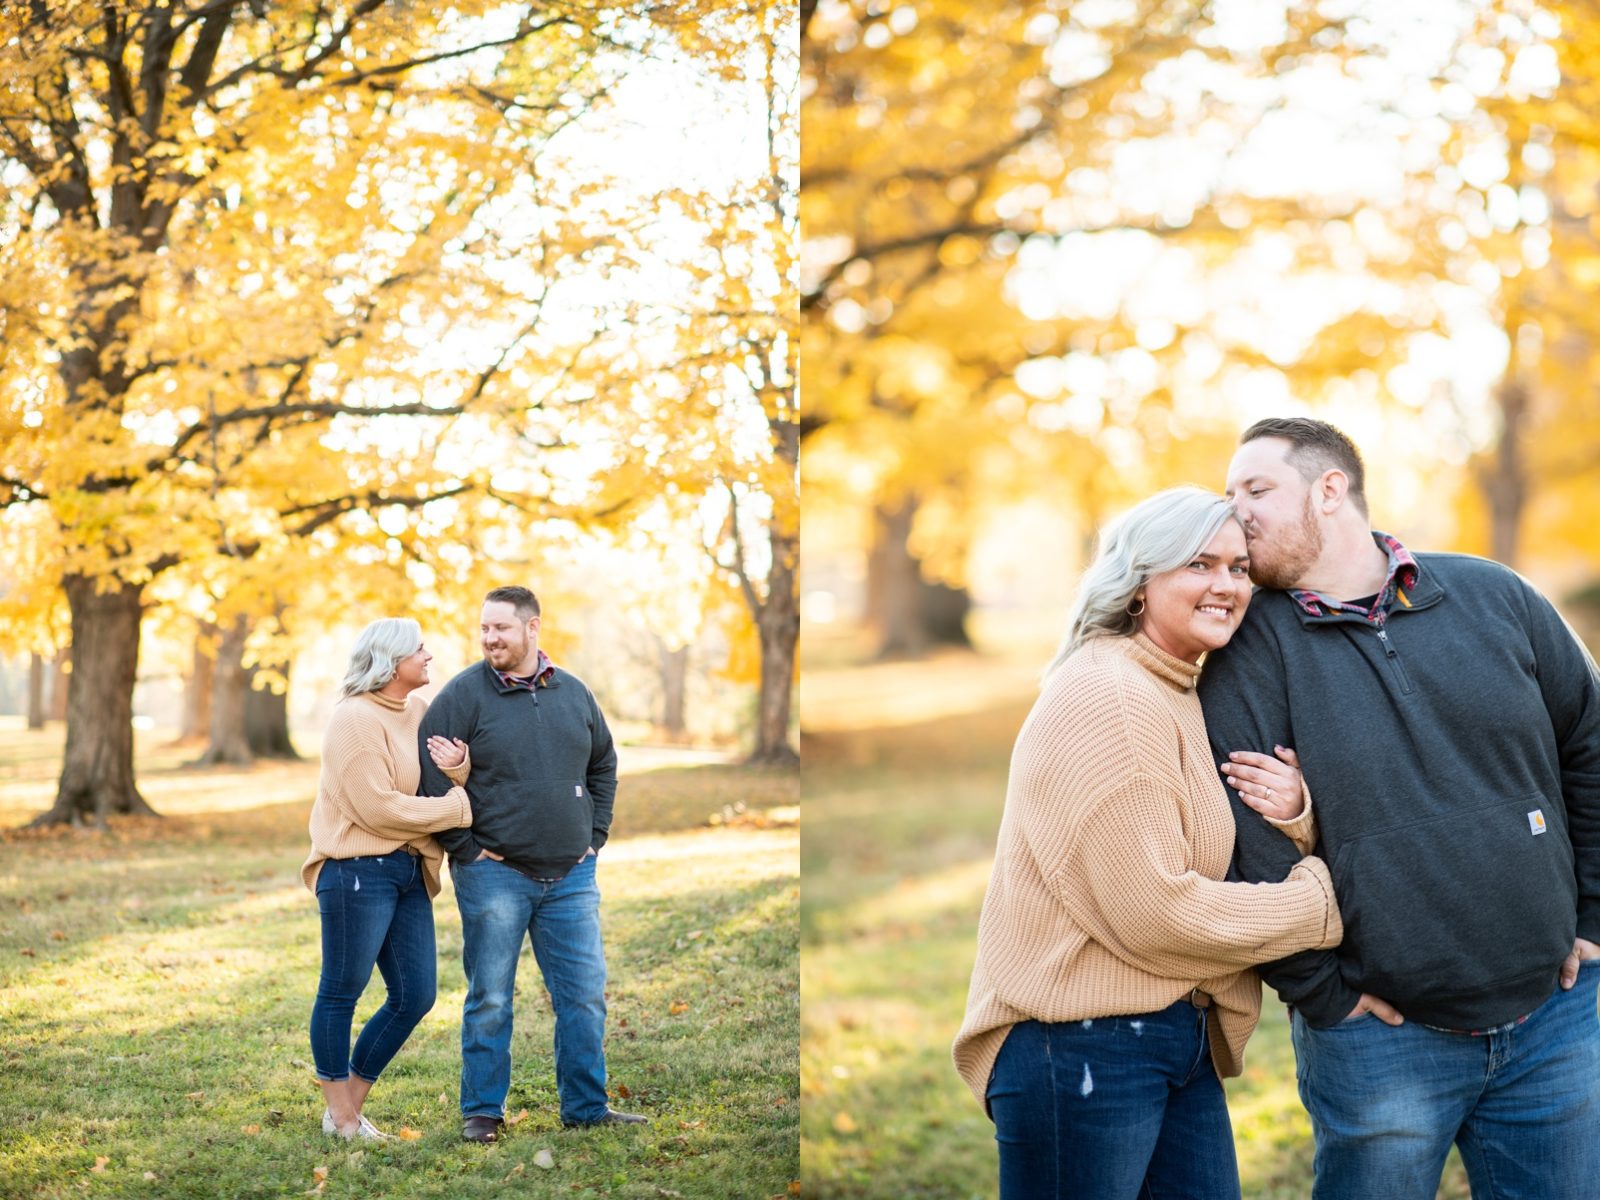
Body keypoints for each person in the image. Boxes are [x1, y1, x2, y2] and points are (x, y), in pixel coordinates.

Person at [1198, 416, 1600, 1200]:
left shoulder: (1493, 595)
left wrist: (1594, 917)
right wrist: (1323, 994)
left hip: (1556, 1019)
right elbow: (1250, 838)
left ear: (1329, 489)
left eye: (1256, 489)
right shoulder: (1250, 648)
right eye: (1228, 494)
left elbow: (1590, 746)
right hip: (1380, 1042)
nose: (1235, 511)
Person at [953, 486, 1344, 1200]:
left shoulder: (1176, 689)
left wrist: (1294, 819)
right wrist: (1321, 905)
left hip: (1169, 1034)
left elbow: (1199, 840)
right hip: (1080, 1044)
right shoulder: (1110, 696)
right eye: (1199, 564)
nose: (1226, 585)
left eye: (1238, 568)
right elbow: (1156, 912)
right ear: (1139, 583)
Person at [418, 585, 646, 1143]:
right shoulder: (462, 696)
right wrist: (466, 849)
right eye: (484, 629)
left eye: (501, 628)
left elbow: (604, 764)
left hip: (572, 876)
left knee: (583, 996)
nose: (490, 638)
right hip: (496, 876)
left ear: (532, 628)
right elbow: (428, 779)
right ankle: (483, 1113)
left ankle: (587, 1107)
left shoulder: (574, 693)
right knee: (491, 997)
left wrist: (595, 834)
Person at [302, 618, 475, 1140]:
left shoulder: (418, 712)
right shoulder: (354, 719)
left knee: (415, 994)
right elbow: (378, 808)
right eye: (418, 648)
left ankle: (346, 1108)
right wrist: (458, 807)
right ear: (390, 660)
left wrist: (460, 774)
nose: (428, 654)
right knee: (341, 990)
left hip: (407, 869)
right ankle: (344, 1116)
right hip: (356, 870)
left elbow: (438, 783)